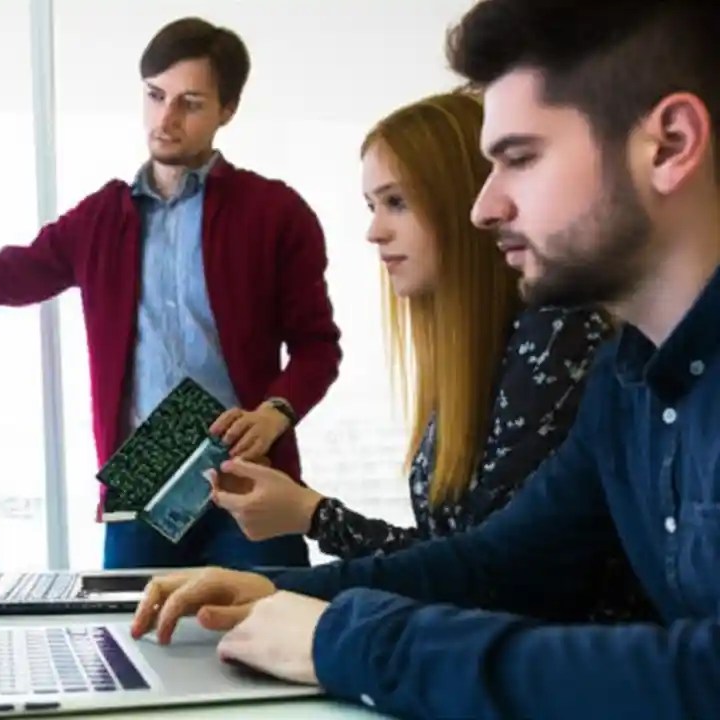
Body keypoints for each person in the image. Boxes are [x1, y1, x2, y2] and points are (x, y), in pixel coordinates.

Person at [130, 0, 720, 717]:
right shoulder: (624, 380)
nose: (484, 207)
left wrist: (344, 636)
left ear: (669, 144)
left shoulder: (581, 354)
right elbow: (503, 561)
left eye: (521, 159)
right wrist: (290, 592)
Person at [0, 18, 343, 571]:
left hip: (249, 472)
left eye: (190, 102)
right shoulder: (99, 220)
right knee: (136, 650)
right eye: (154, 95)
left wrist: (276, 412)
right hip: (143, 478)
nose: (165, 118)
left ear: (227, 110)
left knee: (268, 645)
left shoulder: (276, 212)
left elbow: (319, 347)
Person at [208, 91, 616, 561]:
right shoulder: (491, 356)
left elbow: (484, 575)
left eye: (397, 202)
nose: (374, 231)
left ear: (466, 201)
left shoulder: (557, 339)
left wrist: (314, 518)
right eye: (372, 206)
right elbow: (451, 560)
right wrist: (305, 523)